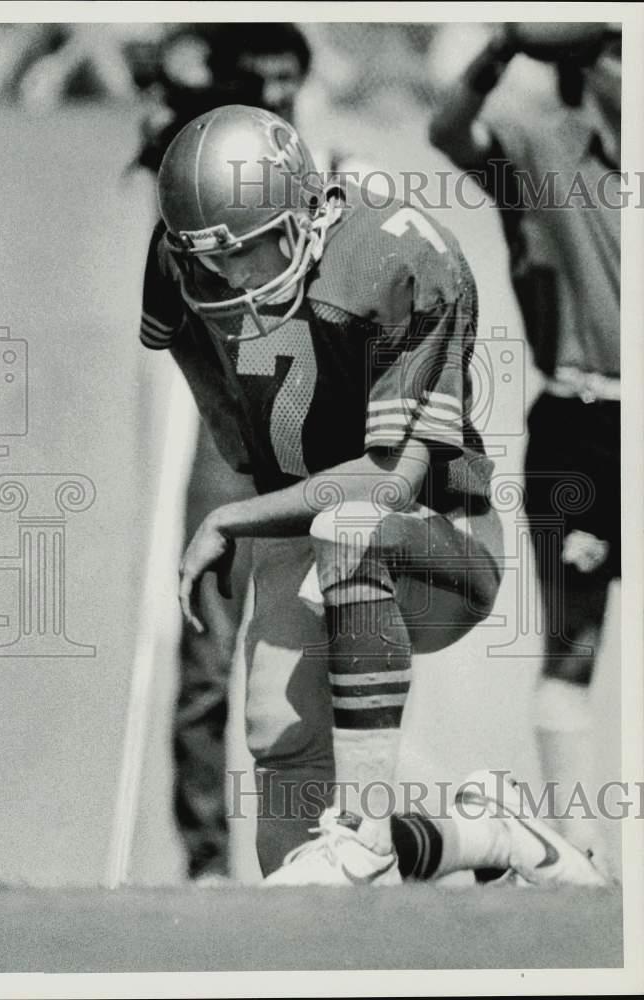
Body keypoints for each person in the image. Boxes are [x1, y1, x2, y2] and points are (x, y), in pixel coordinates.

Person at [139, 103, 606, 888]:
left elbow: (391, 480)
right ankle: (472, 838)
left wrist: (235, 515)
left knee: (352, 529)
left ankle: (364, 826)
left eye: (247, 254)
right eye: (209, 262)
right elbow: (196, 357)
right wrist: (255, 486)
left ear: (308, 215)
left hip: (437, 543)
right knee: (276, 733)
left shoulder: (402, 258)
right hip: (307, 509)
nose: (230, 279)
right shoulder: (188, 257)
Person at [429, 23, 621, 856]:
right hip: (587, 420)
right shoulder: (545, 147)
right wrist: (507, 45)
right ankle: (580, 860)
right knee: (572, 652)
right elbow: (448, 132)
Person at [137, 24, 314, 881]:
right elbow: (169, 320)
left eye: (292, 76)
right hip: (232, 438)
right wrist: (223, 420)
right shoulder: (199, 163)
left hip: (315, 426)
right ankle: (206, 858)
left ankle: (318, 850)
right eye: (264, 76)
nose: (280, 91)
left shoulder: (324, 167)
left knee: (328, 639)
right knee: (208, 643)